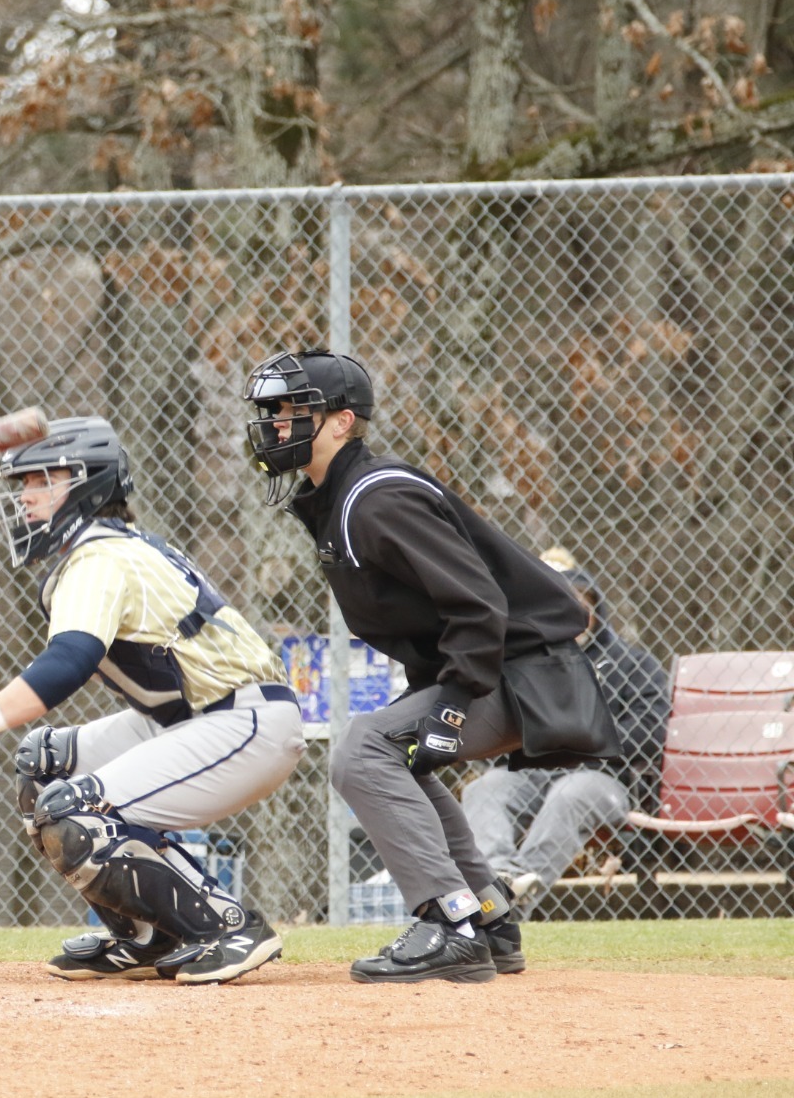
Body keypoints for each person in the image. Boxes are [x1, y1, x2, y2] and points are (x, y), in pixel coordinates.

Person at [242, 349, 612, 984]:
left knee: (362, 750)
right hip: (503, 672)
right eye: (270, 412)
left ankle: (449, 922)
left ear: (341, 422)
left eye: (289, 410)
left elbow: (479, 603)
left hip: (523, 677)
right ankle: (488, 917)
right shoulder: (342, 501)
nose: (275, 424)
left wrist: (453, 698)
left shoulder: (375, 499)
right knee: (392, 755)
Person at [0, 417, 304, 985]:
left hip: (243, 721)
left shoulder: (100, 556)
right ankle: (147, 934)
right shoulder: (102, 550)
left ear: (86, 484)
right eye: (24, 483)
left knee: (70, 810)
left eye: (42, 481)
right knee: (44, 762)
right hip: (193, 719)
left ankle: (227, 925)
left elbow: (65, 664)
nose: (25, 496)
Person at [463, 555, 669, 907]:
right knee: (484, 790)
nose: (571, 617)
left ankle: (511, 903)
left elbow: (652, 729)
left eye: (580, 606)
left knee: (570, 795)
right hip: (537, 769)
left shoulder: (632, 663)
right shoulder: (528, 663)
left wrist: (588, 740)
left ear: (596, 612)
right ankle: (500, 876)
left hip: (604, 777)